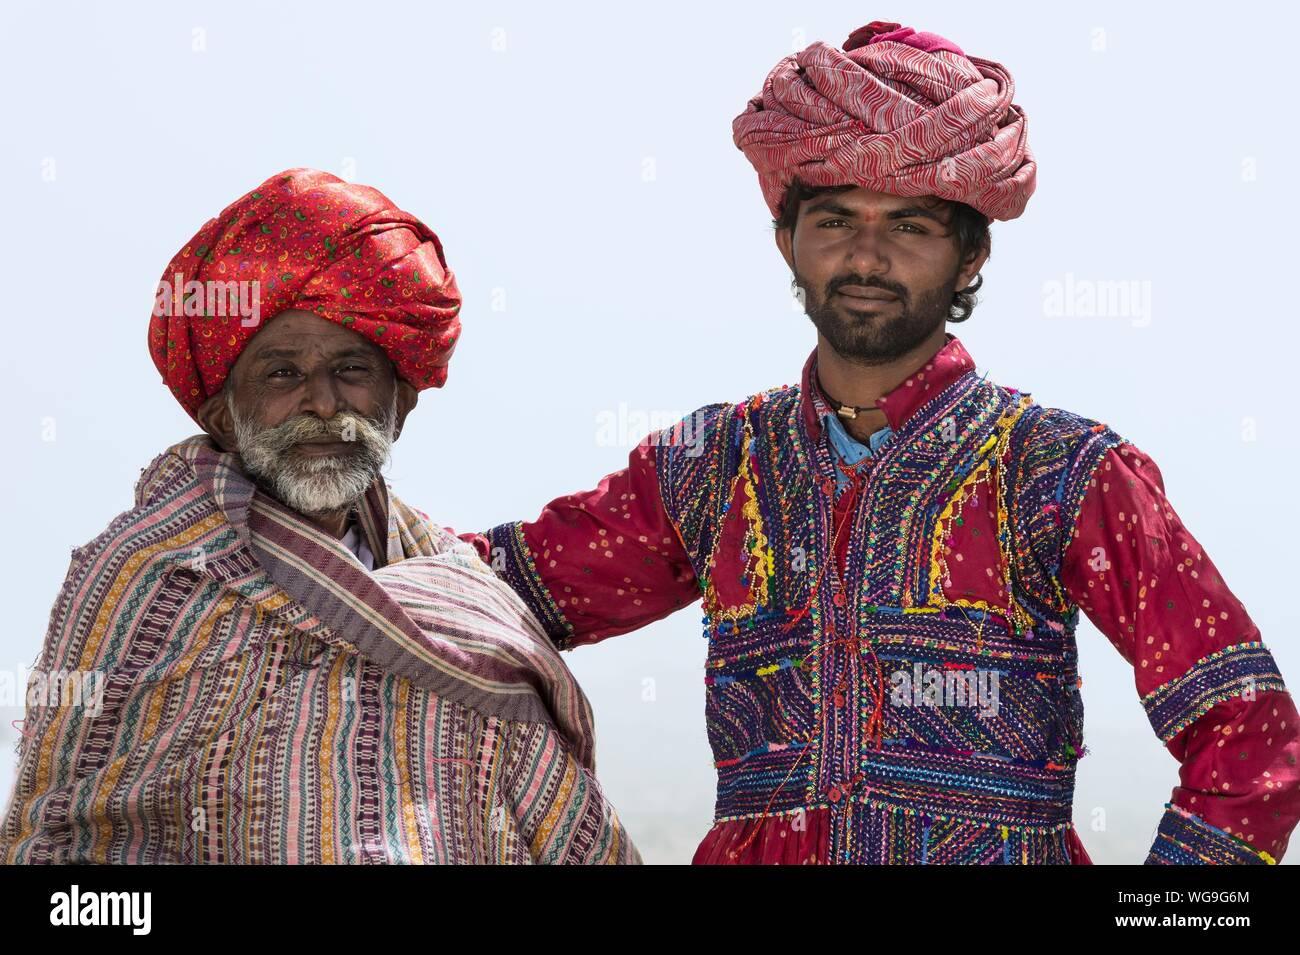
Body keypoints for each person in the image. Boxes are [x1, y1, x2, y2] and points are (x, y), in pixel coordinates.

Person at [480, 22, 1300, 864]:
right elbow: (488, 595)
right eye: (835, 220)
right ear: (786, 241)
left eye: (909, 226)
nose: (866, 255)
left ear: (971, 254)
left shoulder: (1059, 469)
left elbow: (1250, 729)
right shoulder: (709, 465)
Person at [1, 168, 638, 864]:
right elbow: (58, 843)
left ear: (402, 400)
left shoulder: (462, 592)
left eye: (352, 370)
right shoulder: (143, 577)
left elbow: (564, 822)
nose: (325, 404)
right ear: (222, 412)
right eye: (281, 374)